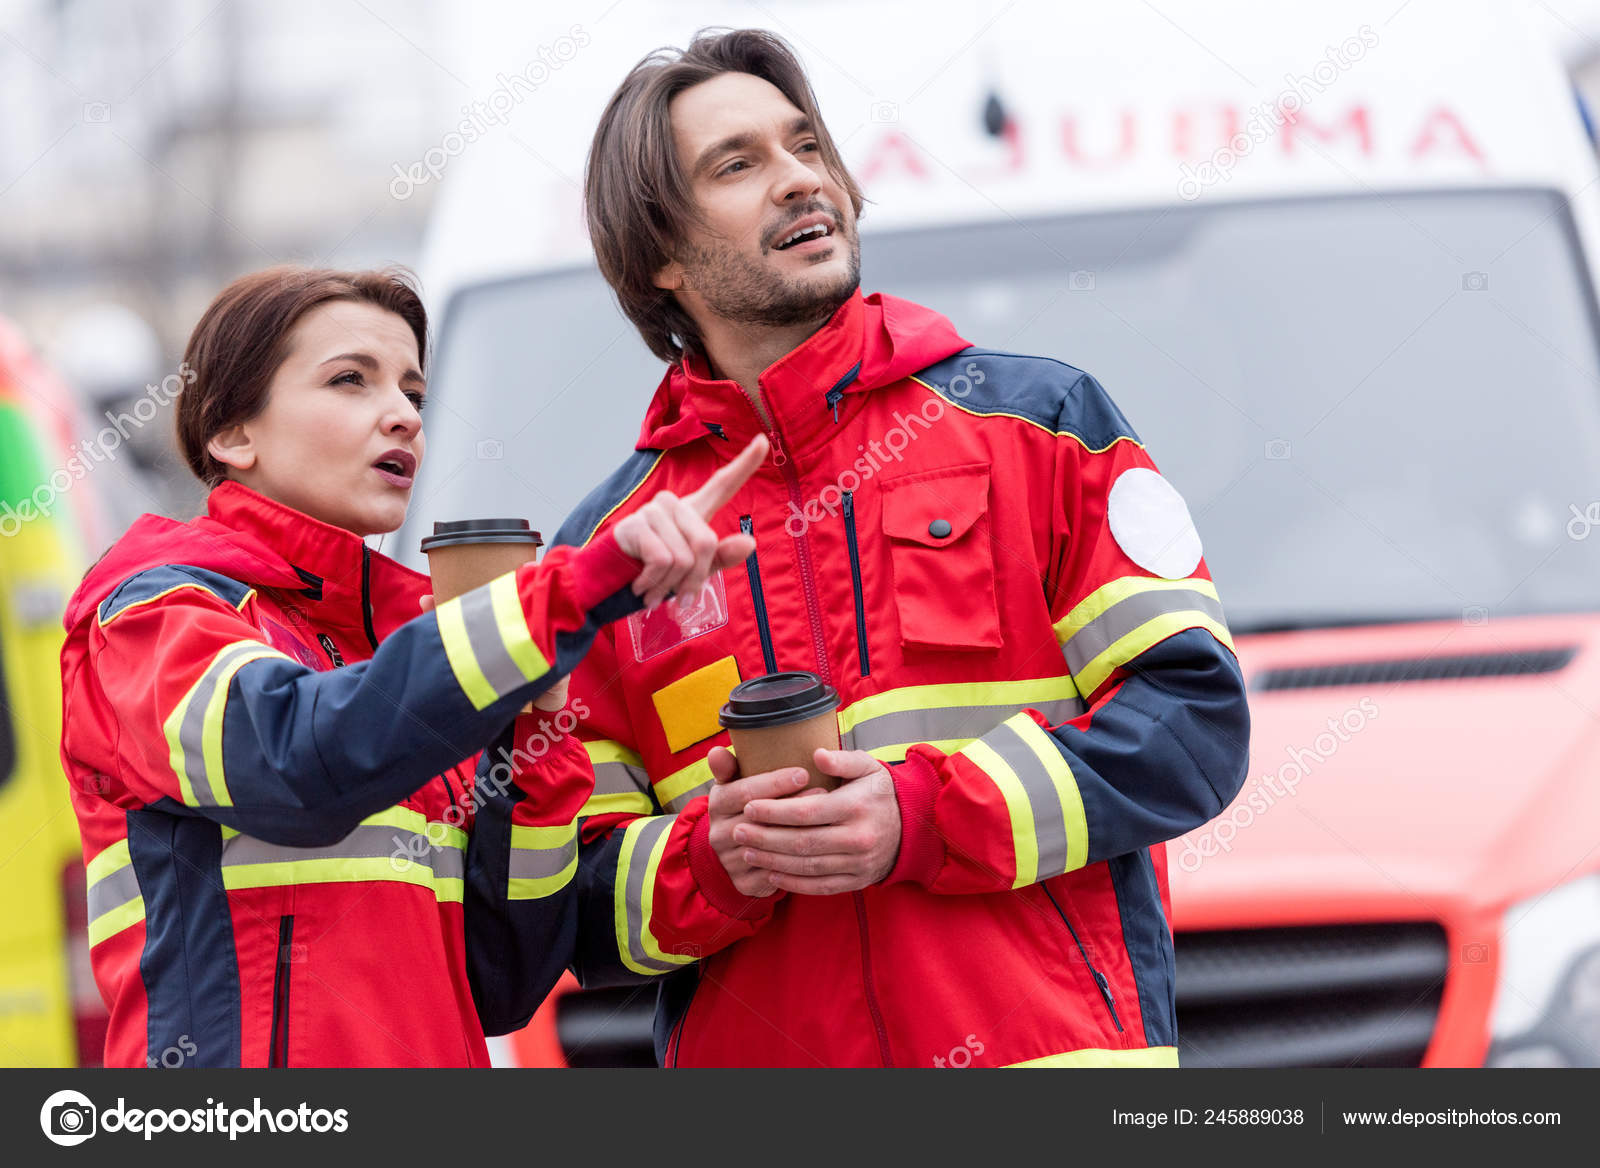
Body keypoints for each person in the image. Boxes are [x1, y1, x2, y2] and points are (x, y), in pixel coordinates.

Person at [555, 29, 1251, 1067]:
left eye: (805, 147)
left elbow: (1192, 729)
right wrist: (718, 855)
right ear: (657, 255)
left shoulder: (1043, 424)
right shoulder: (607, 560)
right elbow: (568, 917)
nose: (800, 181)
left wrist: (925, 813)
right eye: (738, 164)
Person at [57, 265, 766, 1067]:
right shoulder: (148, 618)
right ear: (231, 433)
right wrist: (564, 595)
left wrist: (534, 741)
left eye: (414, 395)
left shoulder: (405, 659)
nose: (401, 415)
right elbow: (301, 760)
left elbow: (504, 982)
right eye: (351, 381)